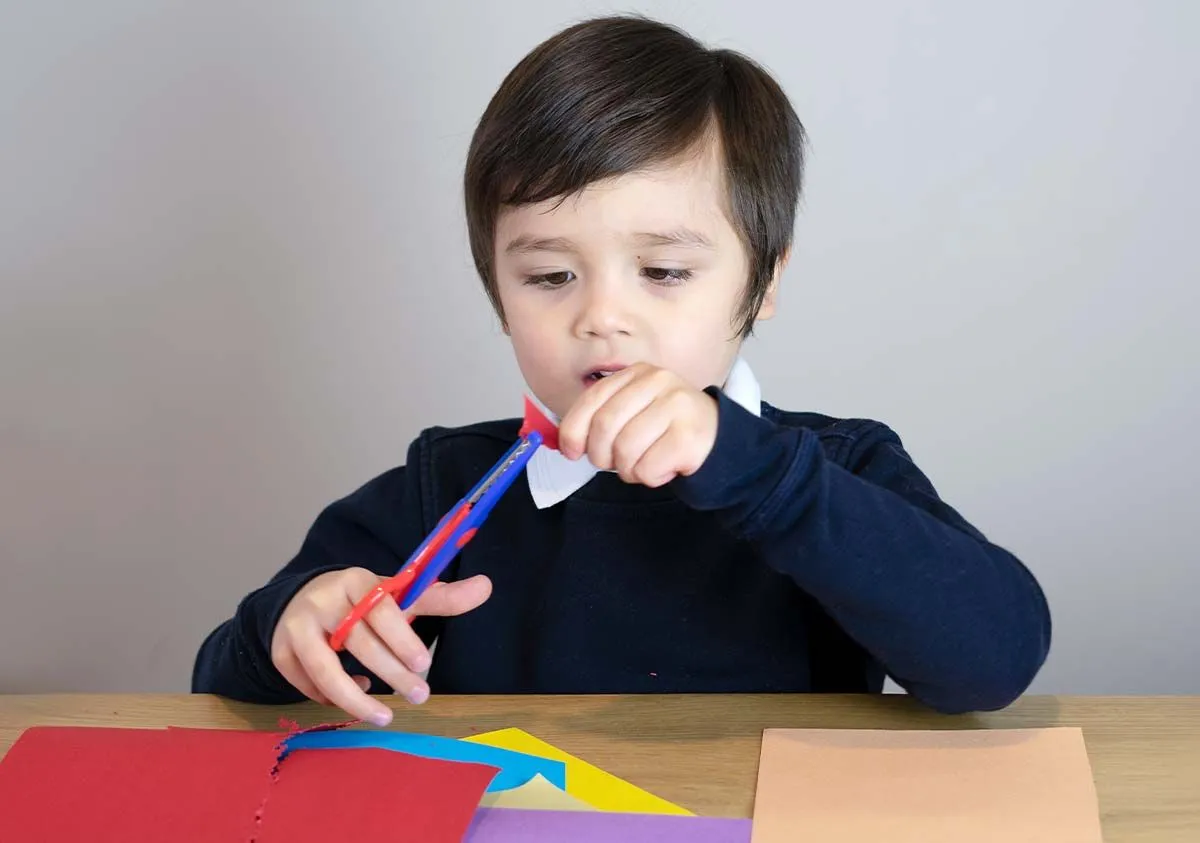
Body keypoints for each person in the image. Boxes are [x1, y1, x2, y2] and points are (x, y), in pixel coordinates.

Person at [192, 15, 1051, 726]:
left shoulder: (837, 472)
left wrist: (755, 473)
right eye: (550, 276)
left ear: (763, 285)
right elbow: (223, 685)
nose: (603, 315)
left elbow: (995, 662)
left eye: (665, 271)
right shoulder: (438, 487)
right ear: (498, 290)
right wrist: (290, 624)